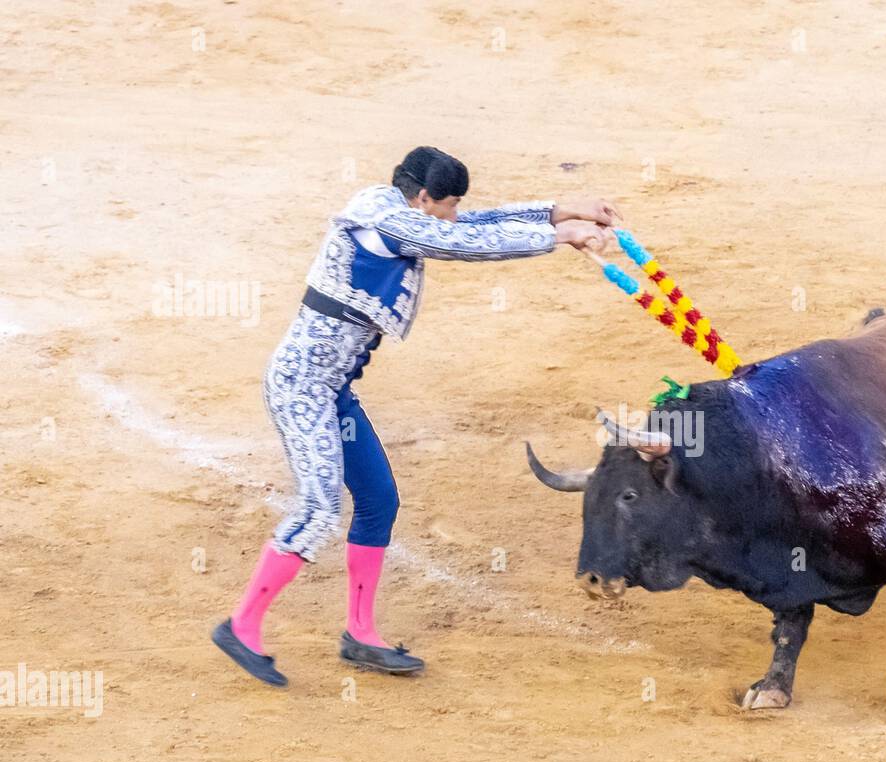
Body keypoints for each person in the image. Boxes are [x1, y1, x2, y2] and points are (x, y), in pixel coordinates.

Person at [212, 146, 617, 686]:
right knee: (318, 509)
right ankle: (242, 627)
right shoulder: (391, 222)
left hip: (333, 392)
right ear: (423, 197)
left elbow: (473, 222)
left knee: (378, 501)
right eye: (446, 203)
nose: (452, 212)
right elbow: (462, 240)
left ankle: (361, 634)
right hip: (301, 389)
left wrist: (562, 209)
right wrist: (558, 237)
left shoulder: (399, 210)